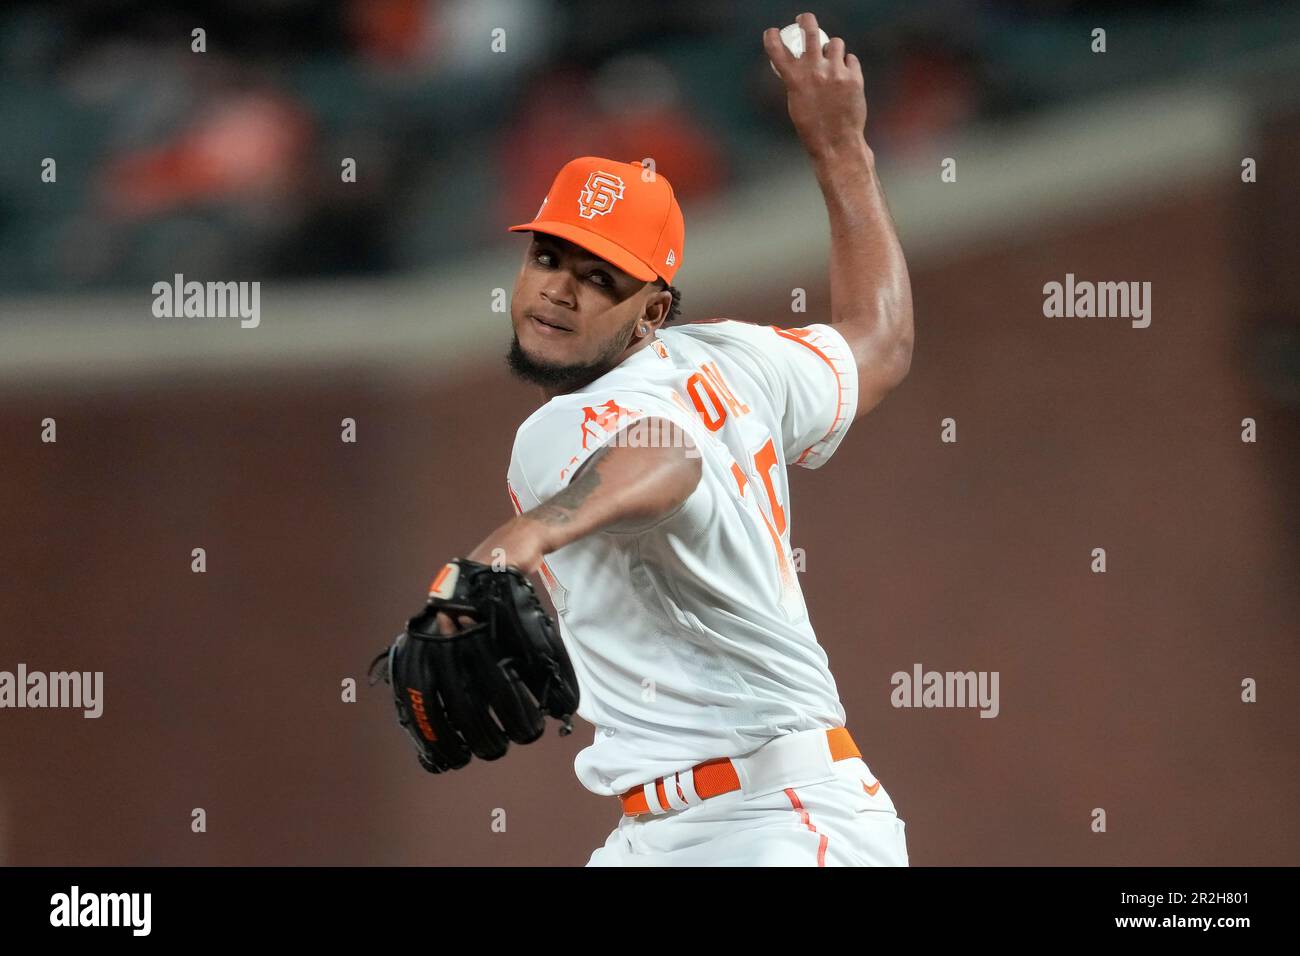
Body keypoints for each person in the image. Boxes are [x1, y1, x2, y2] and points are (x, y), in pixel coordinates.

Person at [441, 13, 914, 865]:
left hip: (775, 822)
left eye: (599, 278)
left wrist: (521, 538)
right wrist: (842, 153)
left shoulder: (561, 430)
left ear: (652, 311)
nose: (558, 292)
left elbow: (665, 455)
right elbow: (878, 345)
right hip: (664, 834)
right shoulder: (739, 360)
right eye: (549, 259)